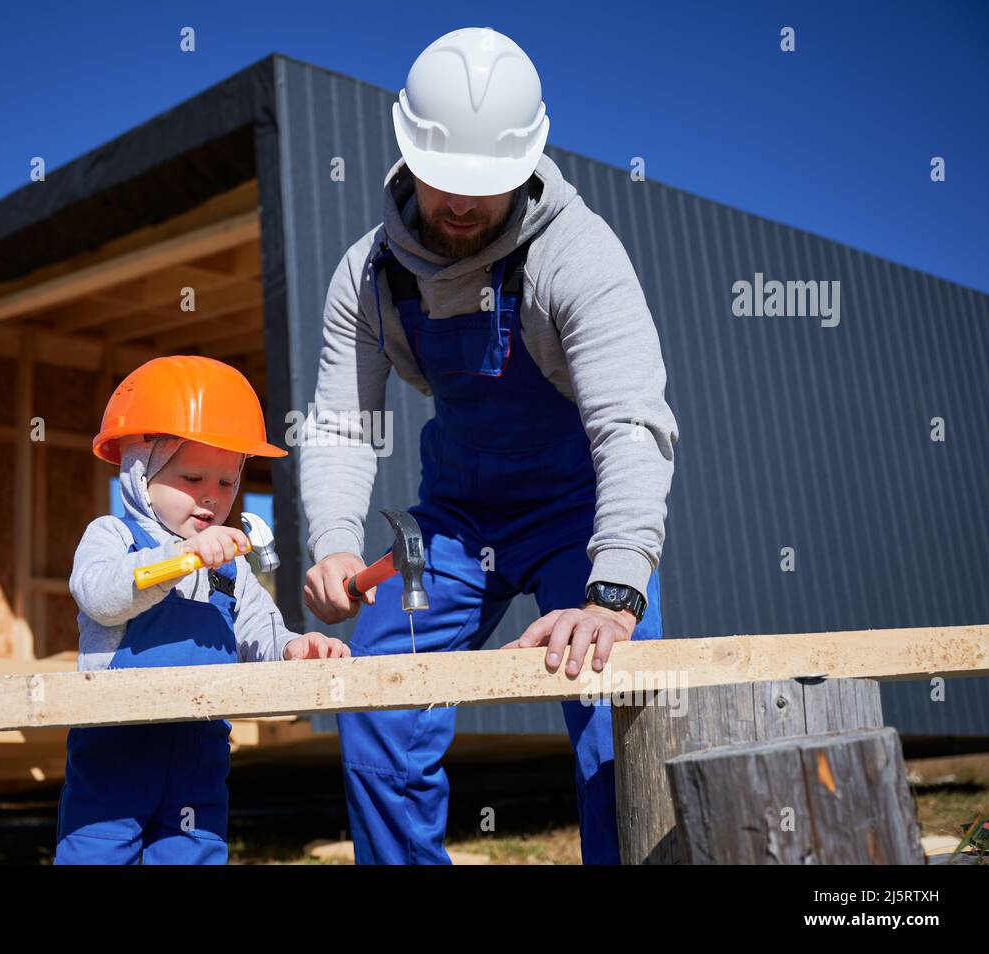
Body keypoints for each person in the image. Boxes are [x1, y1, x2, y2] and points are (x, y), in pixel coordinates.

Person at [300, 27, 679, 864]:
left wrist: (614, 595)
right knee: (380, 688)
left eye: (488, 185)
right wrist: (331, 542)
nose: (464, 206)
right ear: (407, 155)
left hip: (575, 517)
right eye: (447, 183)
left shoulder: (580, 254)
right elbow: (341, 424)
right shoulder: (367, 276)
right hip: (455, 522)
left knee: (612, 703)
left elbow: (632, 424)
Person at [55, 355, 348, 865]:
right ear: (139, 471)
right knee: (96, 853)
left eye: (227, 483)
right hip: (116, 745)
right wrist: (180, 559)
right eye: (192, 478)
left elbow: (261, 634)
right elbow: (101, 597)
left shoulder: (232, 568)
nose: (211, 499)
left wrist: (295, 648)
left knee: (194, 852)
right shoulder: (113, 537)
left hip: (199, 747)